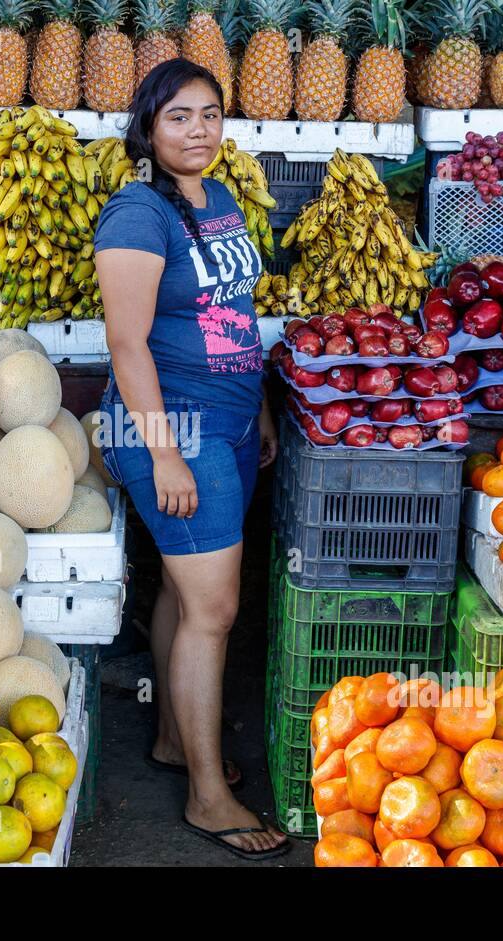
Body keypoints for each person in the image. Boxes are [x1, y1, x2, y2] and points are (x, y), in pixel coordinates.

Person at [93, 59, 287, 861]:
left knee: (184, 589)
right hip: (173, 429)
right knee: (214, 612)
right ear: (148, 127)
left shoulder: (220, 199)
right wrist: (164, 453)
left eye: (209, 114)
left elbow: (233, 310)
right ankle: (209, 799)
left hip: (231, 424)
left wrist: (260, 406)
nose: (198, 130)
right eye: (178, 117)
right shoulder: (137, 214)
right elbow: (126, 343)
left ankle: (177, 742)